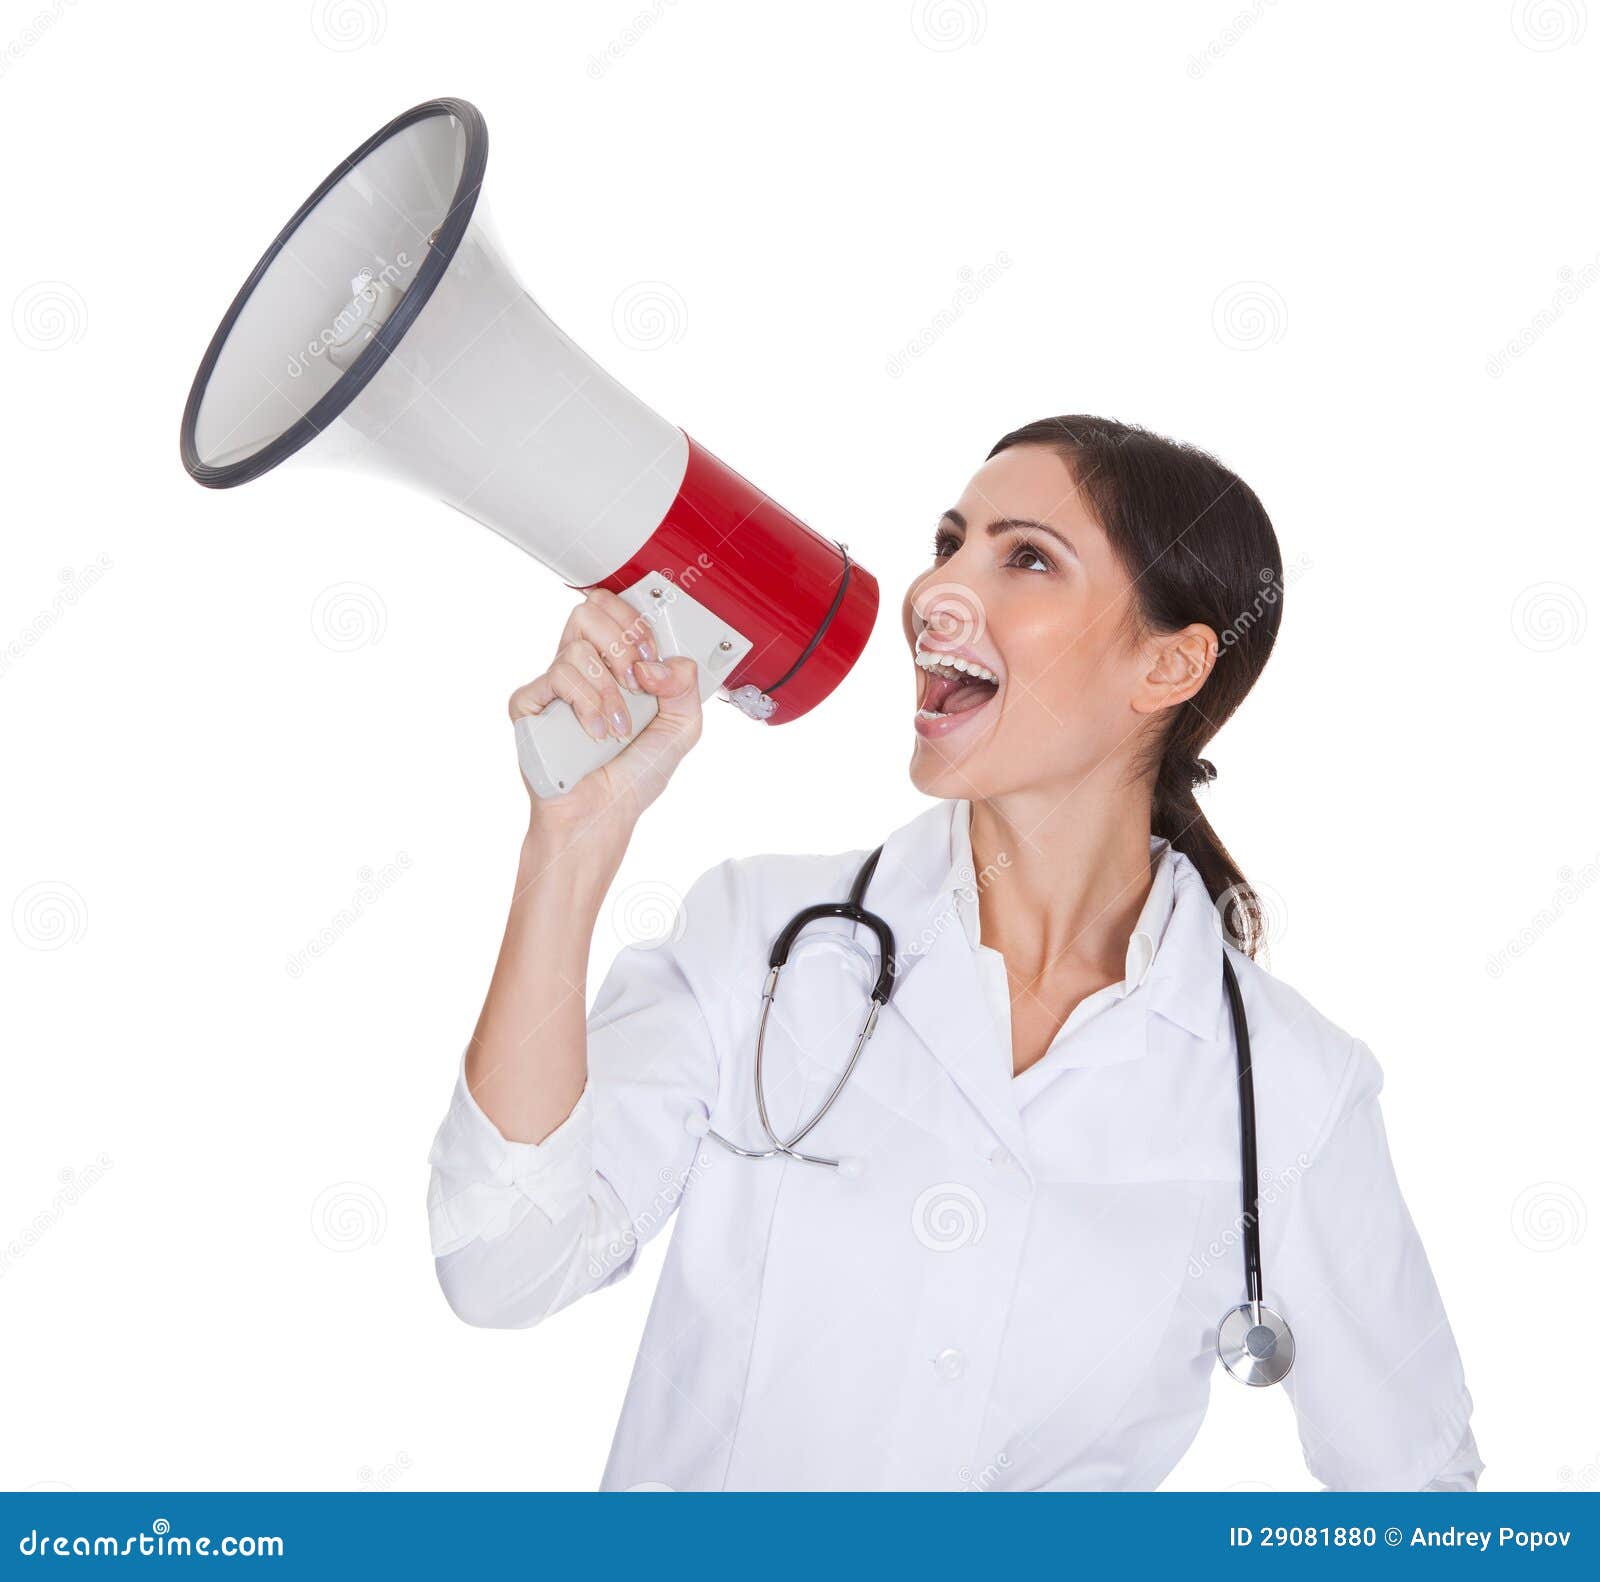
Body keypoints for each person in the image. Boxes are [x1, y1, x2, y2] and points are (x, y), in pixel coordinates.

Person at [426, 414, 1482, 1492]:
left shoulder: (1294, 1090)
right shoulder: (762, 937)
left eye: (1025, 557)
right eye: (948, 543)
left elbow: (1419, 1500)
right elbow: (500, 1264)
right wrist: (574, 840)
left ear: (1167, 664)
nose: (935, 593)